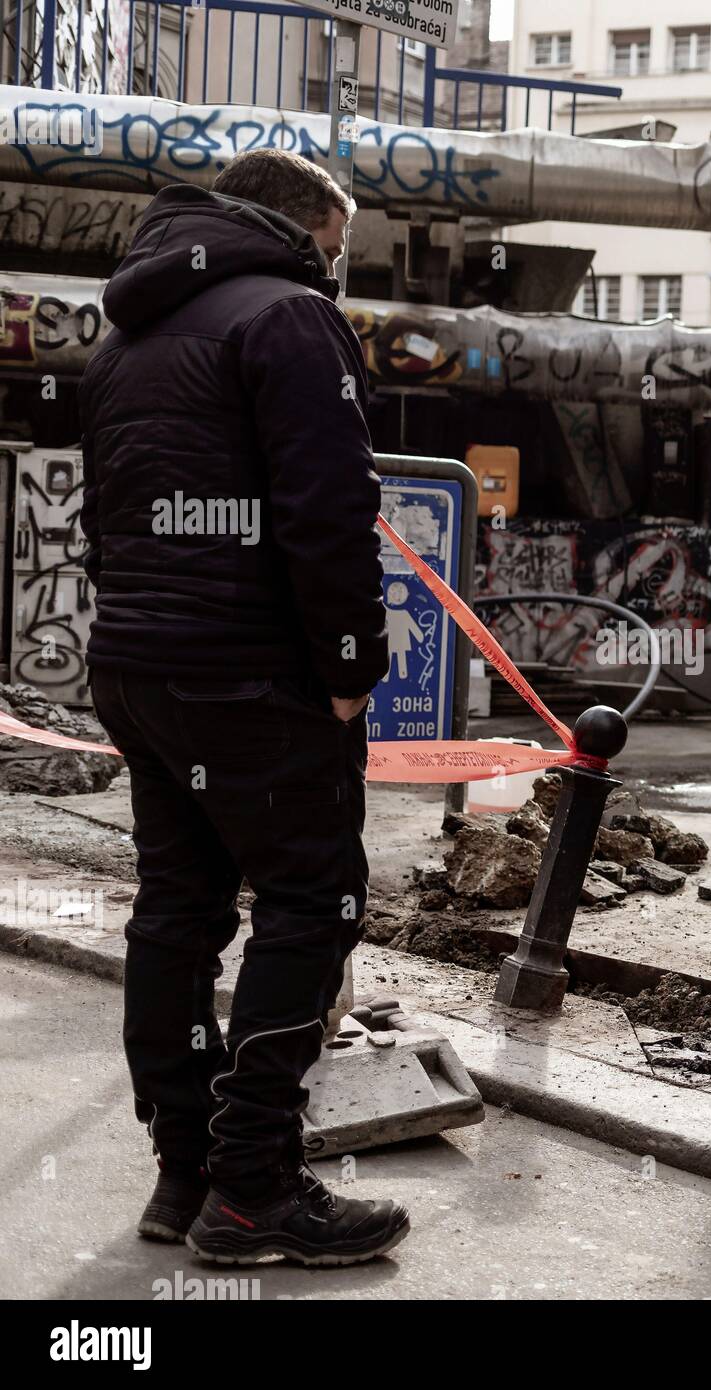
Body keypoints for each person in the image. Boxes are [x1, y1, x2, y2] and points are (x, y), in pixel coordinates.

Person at [80, 149, 408, 1264]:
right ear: (303, 226)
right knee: (312, 901)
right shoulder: (290, 317)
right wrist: (353, 660)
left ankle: (187, 1167)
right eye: (337, 246)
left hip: (138, 662)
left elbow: (108, 513)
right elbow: (329, 505)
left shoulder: (128, 333)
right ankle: (255, 1185)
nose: (337, 269)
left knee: (177, 908)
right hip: (249, 674)